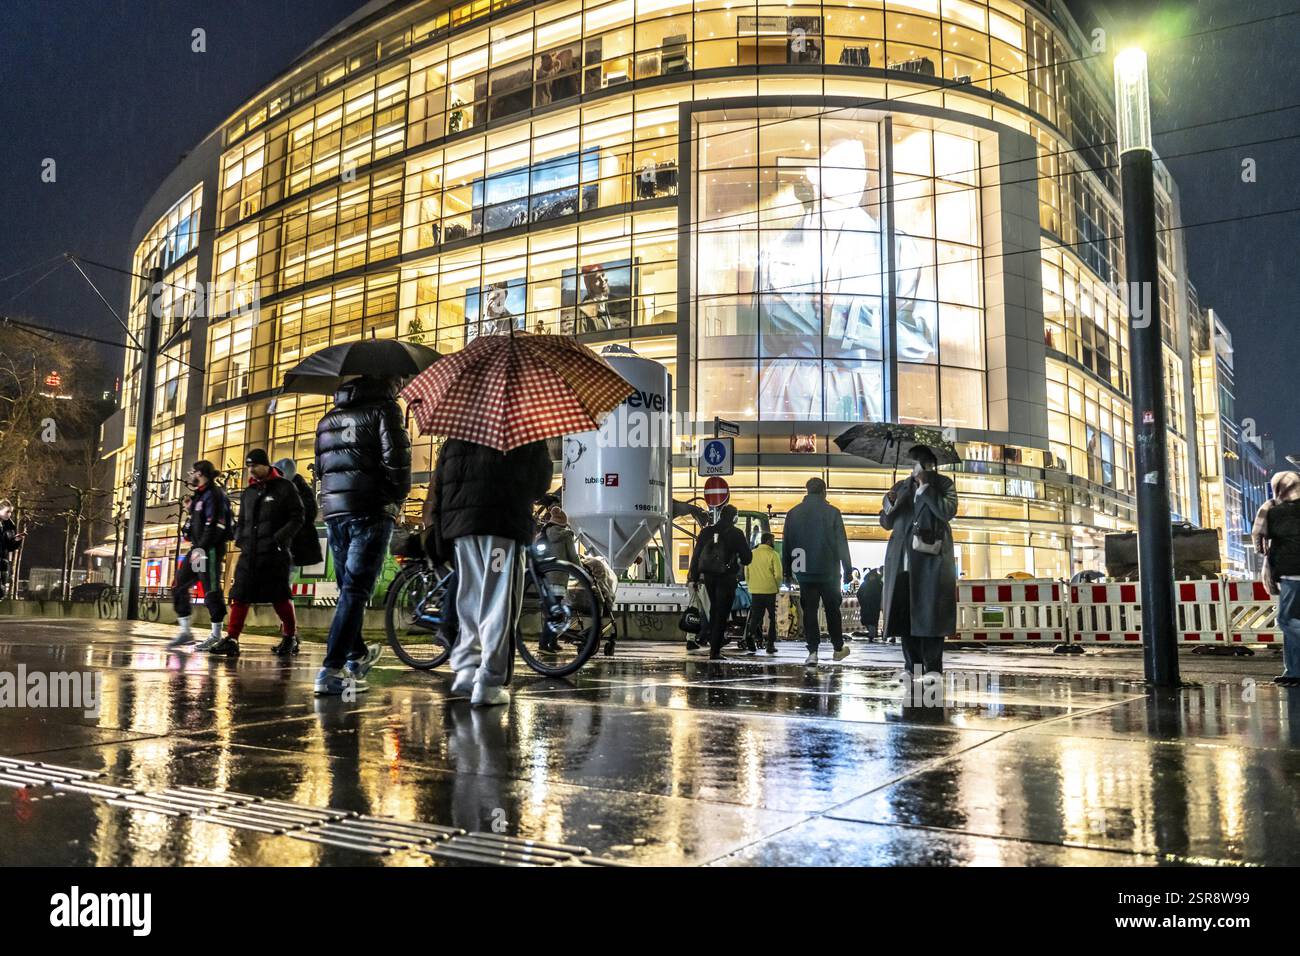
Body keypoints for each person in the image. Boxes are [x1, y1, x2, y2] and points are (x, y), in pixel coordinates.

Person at [429, 437, 553, 707]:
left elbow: (440, 482)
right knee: (498, 602)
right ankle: (489, 680)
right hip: (501, 524)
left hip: (461, 527)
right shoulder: (522, 426)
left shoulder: (459, 430)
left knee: (470, 599)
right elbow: (540, 484)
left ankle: (465, 671)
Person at [314, 376, 412, 695]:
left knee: (348, 588)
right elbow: (397, 460)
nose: (399, 385)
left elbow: (320, 469)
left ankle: (357, 655)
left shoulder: (327, 420)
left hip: (335, 509)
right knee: (355, 589)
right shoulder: (386, 409)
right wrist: (397, 498)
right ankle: (331, 669)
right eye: (398, 381)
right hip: (370, 507)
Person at [209, 450, 305, 657]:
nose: (251, 470)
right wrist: (240, 538)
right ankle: (232, 638)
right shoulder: (249, 492)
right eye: (248, 466)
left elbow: (298, 517)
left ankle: (290, 636)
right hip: (250, 553)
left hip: (274, 554)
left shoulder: (285, 488)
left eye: (254, 466)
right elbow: (243, 520)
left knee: (279, 596)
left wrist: (279, 539)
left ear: (266, 465)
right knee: (240, 595)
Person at [880, 446, 959, 680]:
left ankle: (932, 668)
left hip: (931, 560)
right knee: (905, 616)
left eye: (919, 464)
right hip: (902, 562)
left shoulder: (943, 485)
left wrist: (925, 488)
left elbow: (947, 511)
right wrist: (890, 502)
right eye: (912, 463)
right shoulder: (901, 487)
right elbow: (886, 522)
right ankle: (911, 667)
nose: (914, 469)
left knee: (930, 614)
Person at [782, 477, 853, 665]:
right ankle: (838, 648)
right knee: (832, 610)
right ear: (824, 492)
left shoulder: (793, 513)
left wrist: (787, 573)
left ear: (807, 491)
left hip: (804, 571)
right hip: (828, 570)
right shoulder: (832, 513)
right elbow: (841, 544)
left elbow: (787, 544)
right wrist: (847, 569)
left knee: (810, 612)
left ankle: (812, 652)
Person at [168, 461, 231, 650]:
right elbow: (194, 527)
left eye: (193, 472)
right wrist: (190, 512)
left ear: (201, 473)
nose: (190, 475)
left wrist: (202, 547)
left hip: (208, 549)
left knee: (211, 589)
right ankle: (186, 632)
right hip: (198, 550)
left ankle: (216, 635)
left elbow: (215, 525)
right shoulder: (200, 496)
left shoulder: (215, 495)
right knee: (179, 586)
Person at [1252, 470, 1300, 686]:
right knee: (1292, 627)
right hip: (1291, 574)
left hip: (1292, 574)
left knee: (1286, 621)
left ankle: (1294, 671)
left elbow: (1259, 540)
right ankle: (1293, 672)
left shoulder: (1273, 510)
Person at [687, 504, 752, 660]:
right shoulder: (736, 533)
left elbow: (696, 556)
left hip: (708, 577)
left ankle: (712, 641)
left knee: (714, 609)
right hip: (727, 577)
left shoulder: (706, 532)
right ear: (734, 517)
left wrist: (693, 577)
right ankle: (715, 650)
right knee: (722, 612)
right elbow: (747, 558)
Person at [535, 505, 581, 654]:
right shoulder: (566, 535)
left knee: (552, 611)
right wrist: (582, 570)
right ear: (563, 522)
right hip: (559, 578)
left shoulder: (544, 533)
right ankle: (544, 645)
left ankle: (552, 642)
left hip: (545, 578)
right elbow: (573, 557)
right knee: (557, 613)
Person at [745, 531, 782, 655]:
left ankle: (749, 635)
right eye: (773, 540)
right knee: (772, 618)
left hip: (755, 591)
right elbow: (778, 575)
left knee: (756, 616)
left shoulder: (751, 554)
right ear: (768, 541)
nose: (773, 543)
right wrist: (777, 587)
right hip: (770, 590)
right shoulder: (773, 555)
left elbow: (747, 573)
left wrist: (751, 586)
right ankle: (770, 645)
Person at [0, 500, 24, 601]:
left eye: (11, 512)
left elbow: (9, 547)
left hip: (3, 562)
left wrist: (17, 540)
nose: (9, 514)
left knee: (1, 590)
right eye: (7, 511)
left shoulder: (9, 526)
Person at [858, 566, 883, 642]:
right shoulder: (879, 584)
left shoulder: (866, 584)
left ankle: (872, 633)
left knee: (870, 620)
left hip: (870, 605)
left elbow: (859, 594)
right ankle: (873, 632)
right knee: (872, 620)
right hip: (870, 605)